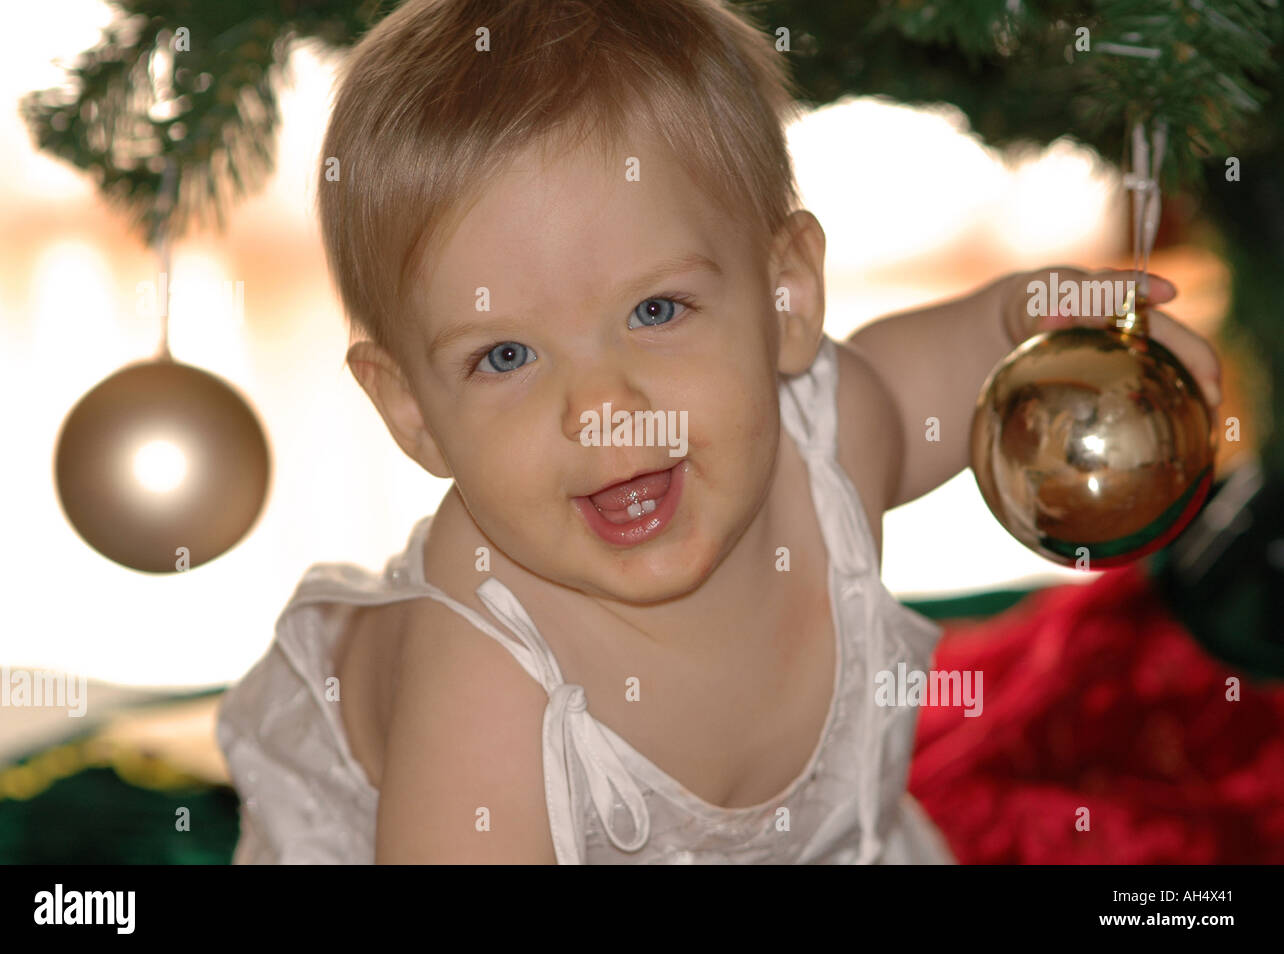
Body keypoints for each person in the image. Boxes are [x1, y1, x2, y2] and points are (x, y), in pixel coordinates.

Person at [216, 0, 1221, 864]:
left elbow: (957, 369)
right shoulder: (485, 682)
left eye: (654, 311)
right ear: (410, 411)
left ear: (788, 297)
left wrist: (1036, 318)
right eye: (506, 355)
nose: (600, 409)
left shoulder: (833, 439)